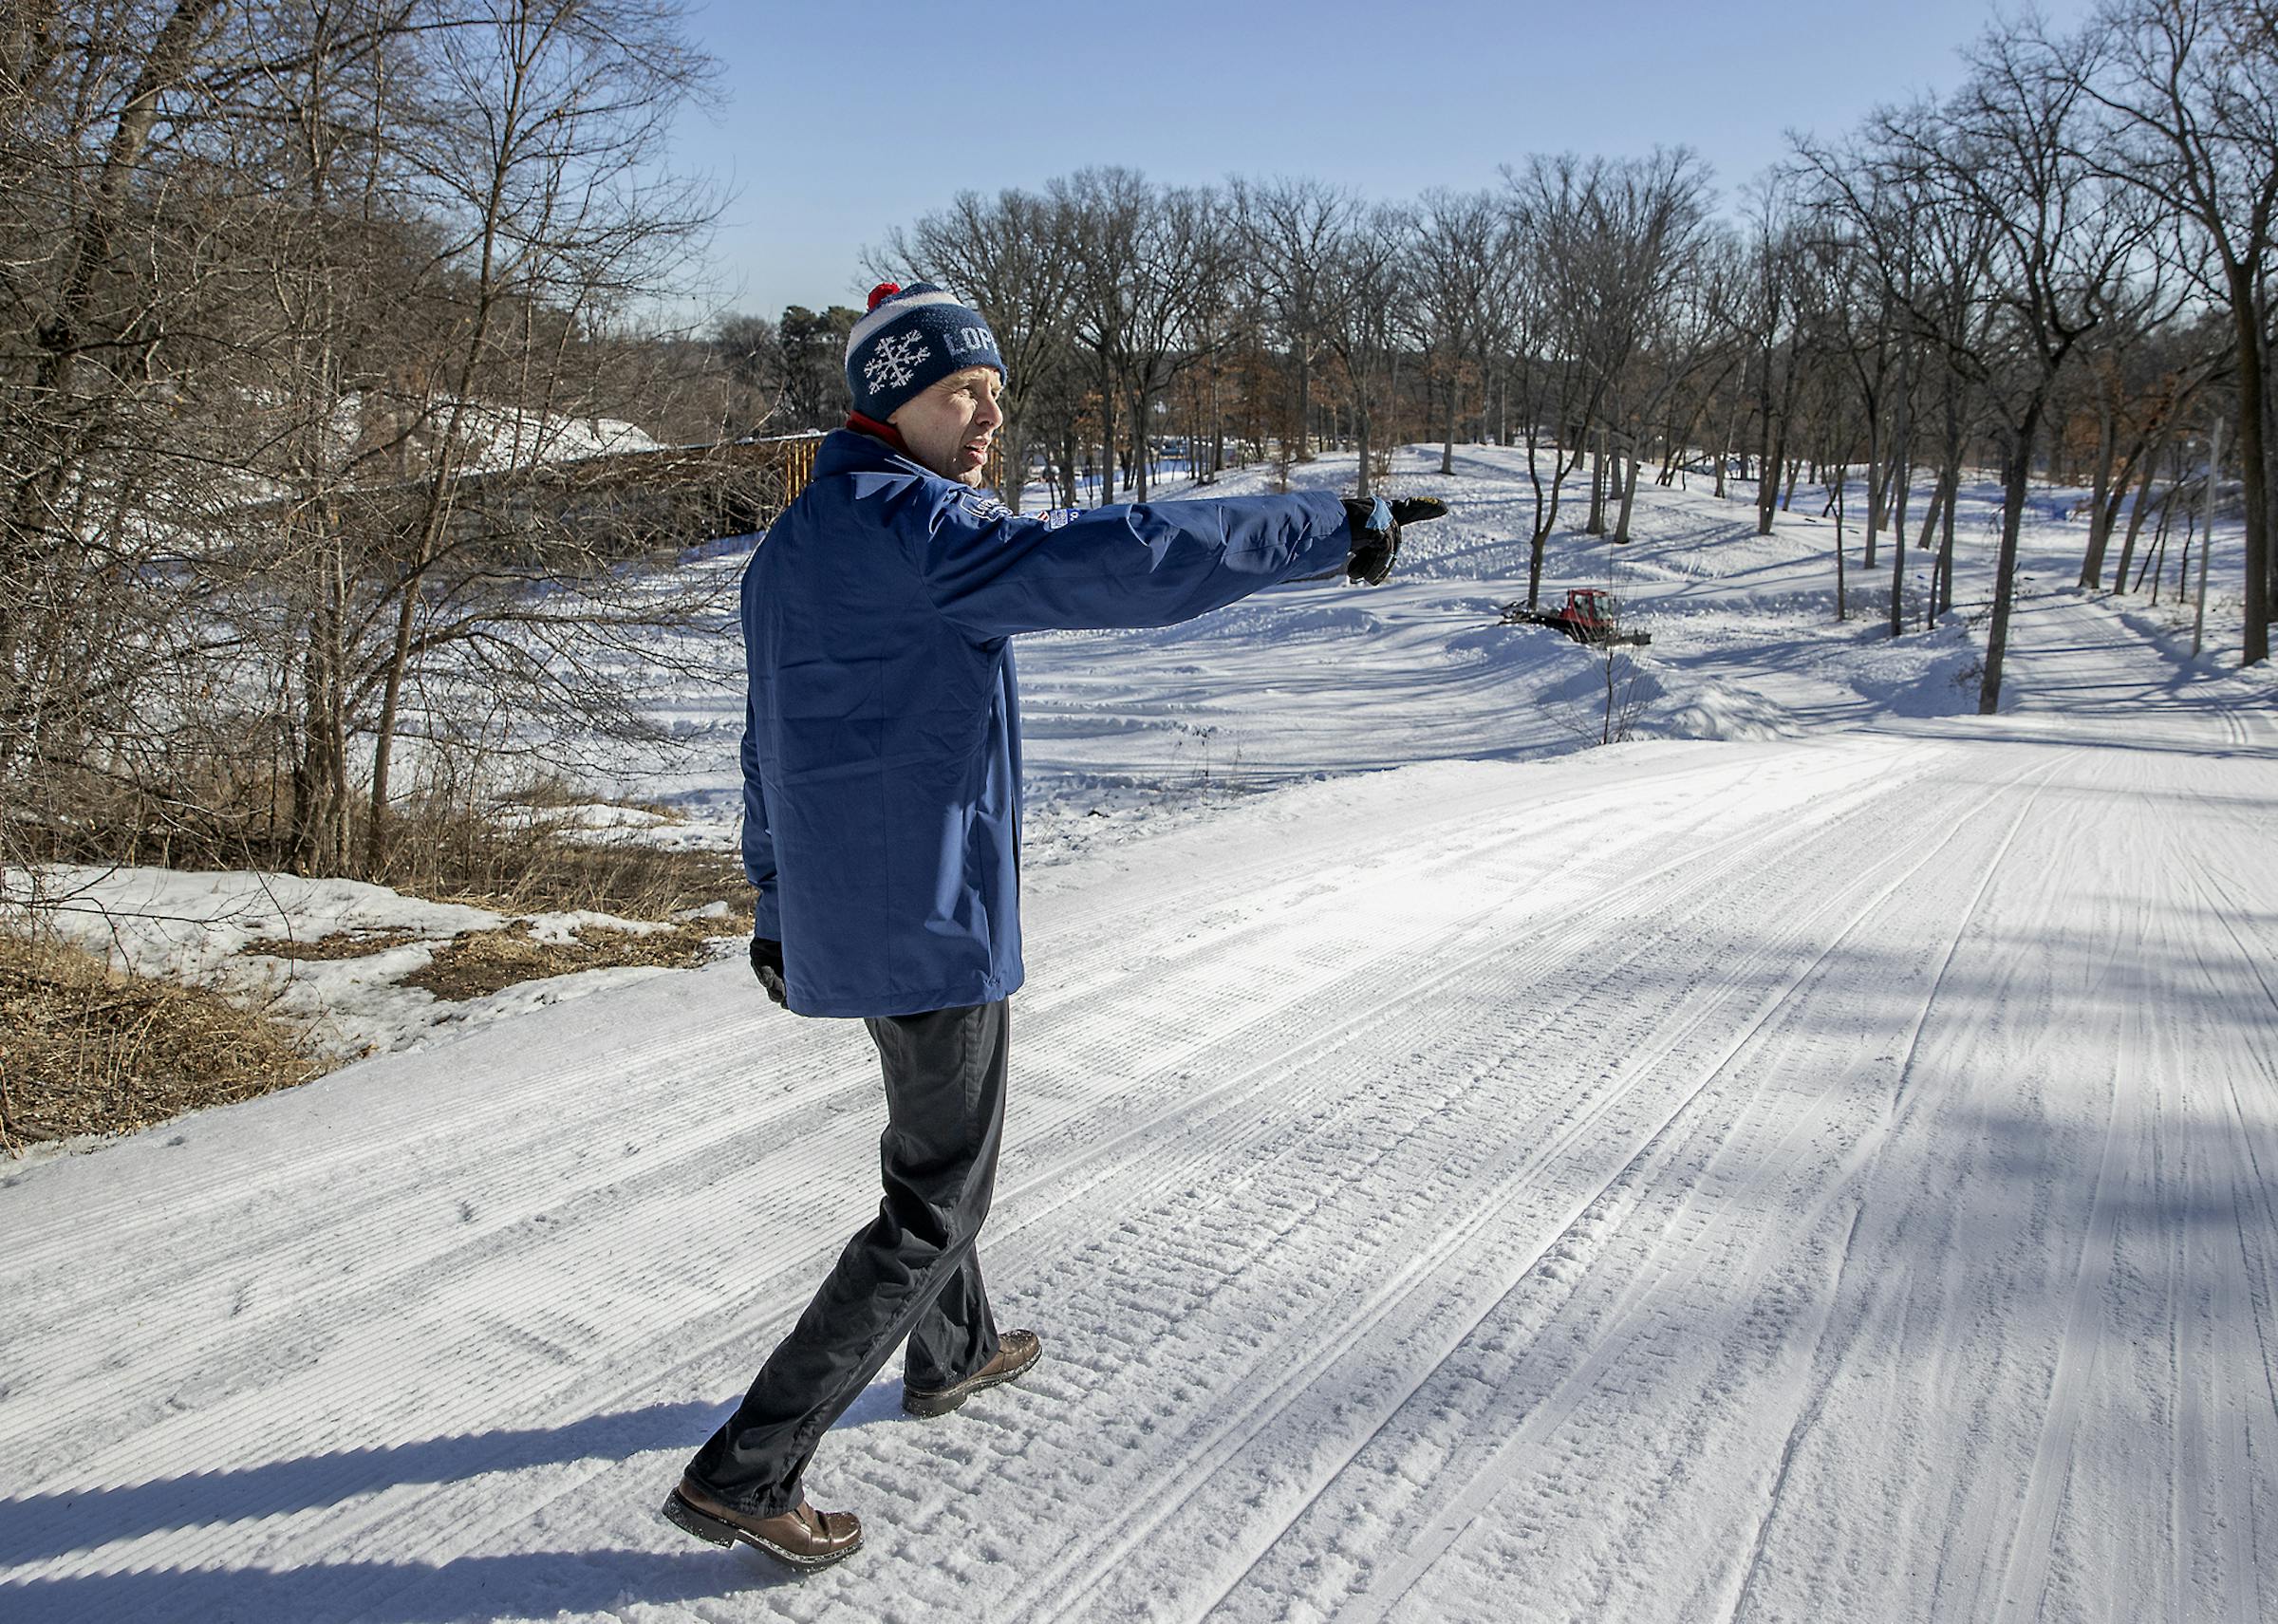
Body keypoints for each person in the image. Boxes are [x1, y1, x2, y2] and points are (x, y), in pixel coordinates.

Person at [663, 280, 1445, 1571]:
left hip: (850, 914)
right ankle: (749, 1467)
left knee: (930, 1144)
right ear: (892, 399)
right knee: (938, 1199)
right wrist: (1321, 523)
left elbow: (766, 744)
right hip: (932, 917)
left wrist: (776, 897)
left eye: (998, 398)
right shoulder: (925, 530)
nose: (988, 422)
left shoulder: (799, 542)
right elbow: (1129, 556)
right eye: (963, 393)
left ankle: (953, 1351)